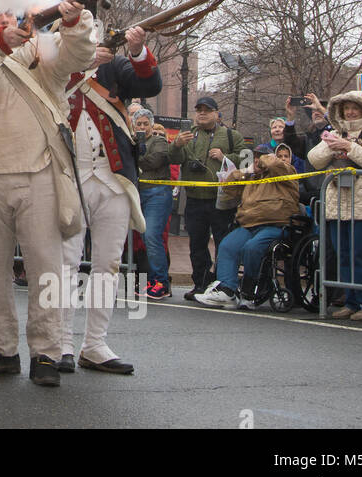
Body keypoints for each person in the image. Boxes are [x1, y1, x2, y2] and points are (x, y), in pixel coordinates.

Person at [0, 0, 93, 386]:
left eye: (11, 15)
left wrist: (75, 22)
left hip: (38, 168)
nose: (6, 22)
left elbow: (79, 57)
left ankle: (46, 352)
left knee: (45, 267)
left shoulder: (44, 49)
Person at [60, 25, 161, 375]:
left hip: (114, 176)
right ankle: (60, 343)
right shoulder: (56, 62)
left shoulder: (114, 67)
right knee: (66, 262)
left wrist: (137, 51)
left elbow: (149, 85)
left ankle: (95, 343)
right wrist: (81, 63)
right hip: (68, 177)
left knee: (108, 264)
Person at [308, 91, 362, 322]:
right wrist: (333, 145)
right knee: (343, 254)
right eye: (346, 108)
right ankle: (351, 301)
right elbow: (314, 159)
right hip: (336, 204)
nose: (350, 112)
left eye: (355, 108)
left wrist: (350, 147)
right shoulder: (335, 132)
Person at [196, 144, 300, 308]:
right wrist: (245, 171)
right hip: (249, 225)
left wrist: (264, 161)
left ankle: (249, 289)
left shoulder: (286, 171)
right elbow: (228, 186)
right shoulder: (251, 178)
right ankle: (227, 289)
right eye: (255, 156)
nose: (257, 160)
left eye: (261, 156)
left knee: (252, 248)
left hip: (274, 225)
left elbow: (274, 164)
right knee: (227, 246)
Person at [169, 96, 251, 298]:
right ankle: (200, 284)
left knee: (223, 243)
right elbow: (174, 159)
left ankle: (222, 284)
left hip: (222, 200)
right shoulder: (188, 135)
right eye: (199, 110)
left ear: (217, 114)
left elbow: (247, 159)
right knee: (197, 244)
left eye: (207, 110)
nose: (202, 113)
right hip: (195, 199)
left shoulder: (231, 135)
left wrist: (225, 157)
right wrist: (177, 145)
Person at [134, 109, 173, 299]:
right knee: (143, 238)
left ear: (151, 124)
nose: (142, 127)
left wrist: (136, 160)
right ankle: (151, 279)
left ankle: (161, 282)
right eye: (139, 124)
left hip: (158, 193)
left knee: (152, 236)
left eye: (145, 124)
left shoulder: (159, 141)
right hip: (139, 193)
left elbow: (155, 160)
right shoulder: (133, 141)